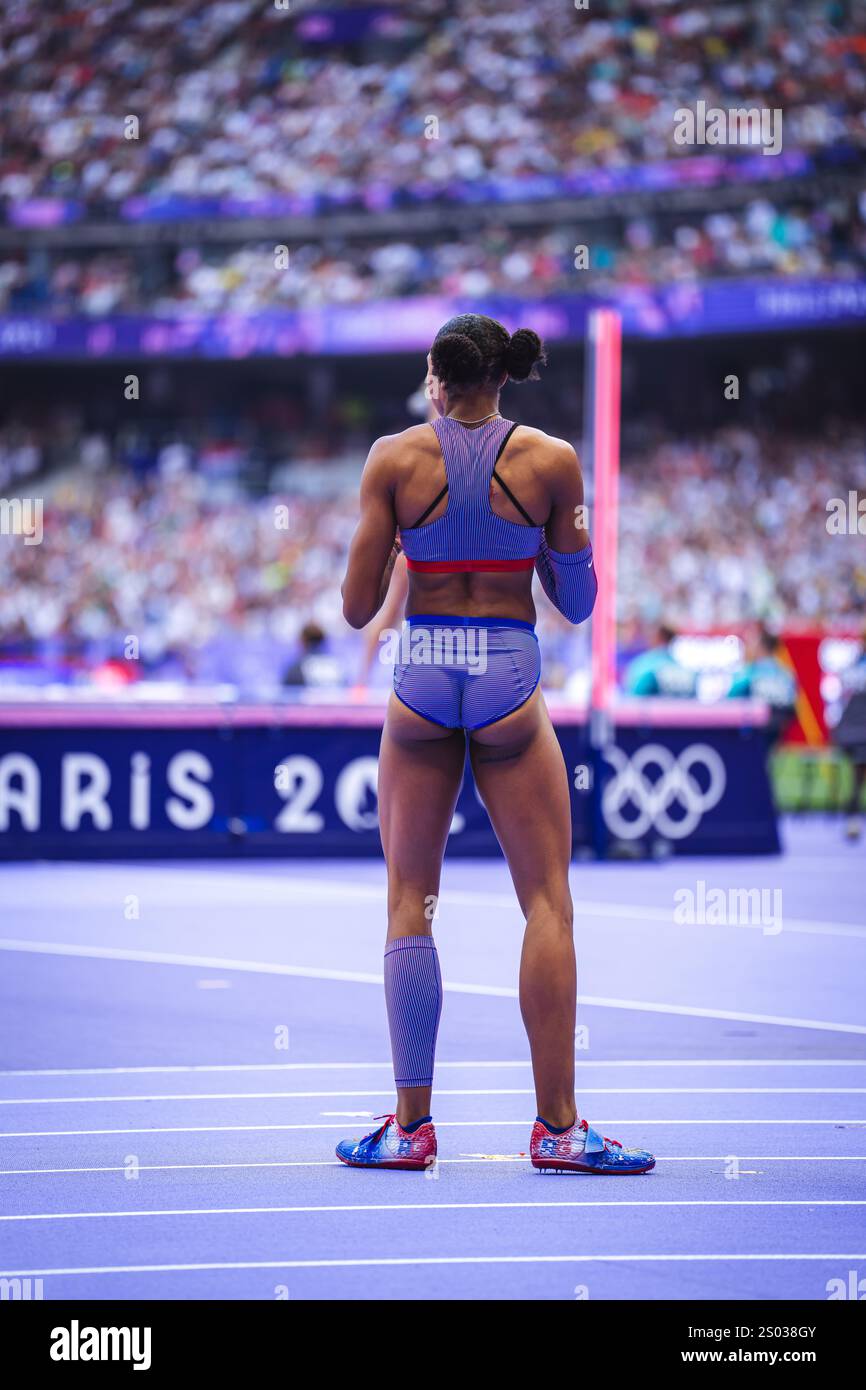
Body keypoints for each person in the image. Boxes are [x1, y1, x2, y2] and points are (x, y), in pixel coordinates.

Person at [337, 313, 654, 1174]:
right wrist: (542, 540)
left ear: (437, 379)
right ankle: (557, 1129)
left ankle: (410, 1131)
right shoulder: (551, 460)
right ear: (503, 380)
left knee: (411, 902)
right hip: (510, 673)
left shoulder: (392, 460)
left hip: (424, 673)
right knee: (547, 903)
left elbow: (358, 608)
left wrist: (408, 536)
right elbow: (580, 601)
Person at [623, 622, 696, 698]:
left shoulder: (643, 665)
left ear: (658, 637)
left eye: (652, 635)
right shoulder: (683, 669)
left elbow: (632, 696)